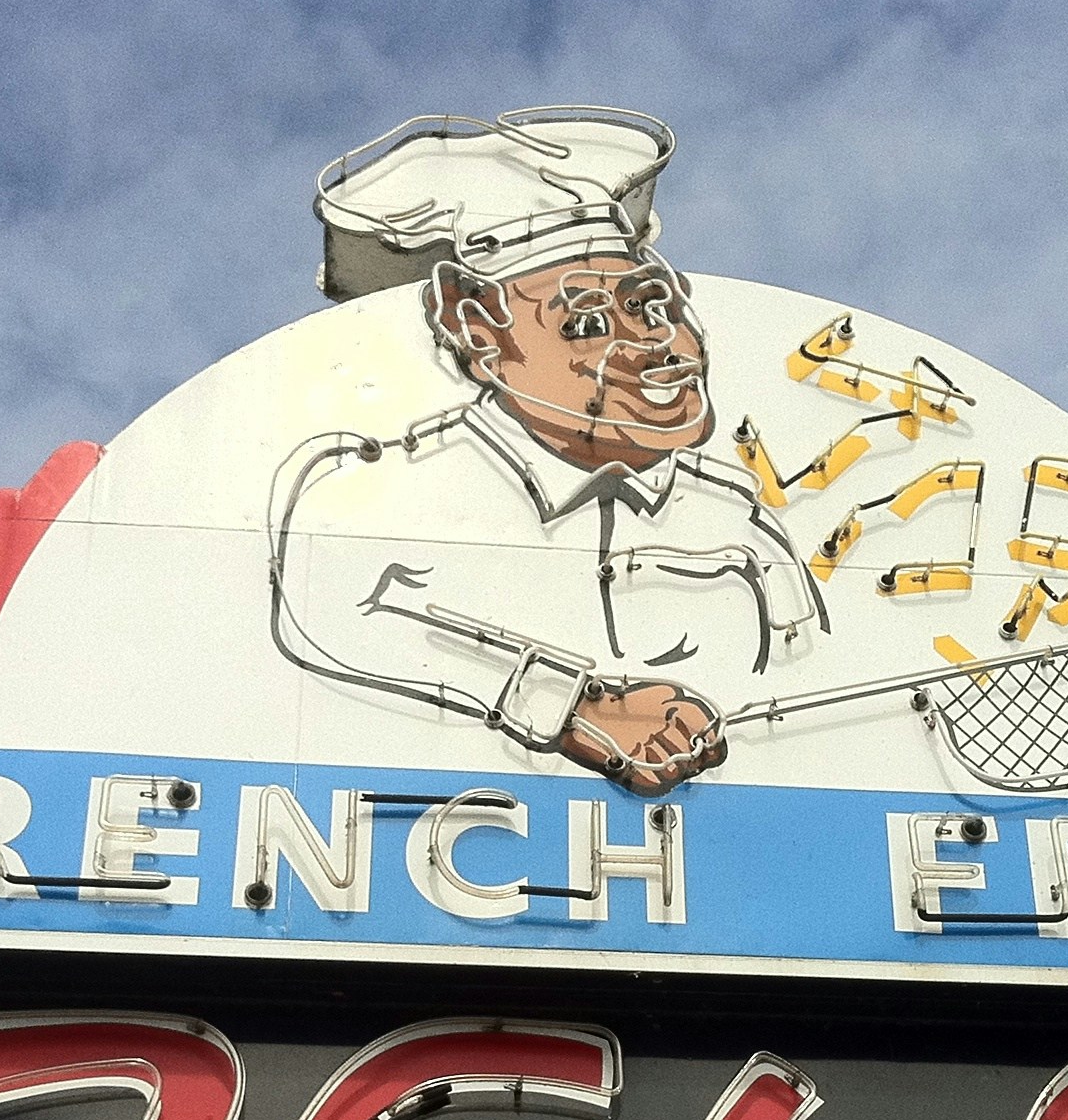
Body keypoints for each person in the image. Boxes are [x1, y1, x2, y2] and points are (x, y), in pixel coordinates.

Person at [269, 111, 826, 795]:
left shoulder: (737, 520)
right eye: (586, 322)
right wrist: (577, 706)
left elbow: (814, 685)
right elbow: (328, 613)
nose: (653, 346)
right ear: (476, 329)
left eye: (652, 307)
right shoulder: (370, 489)